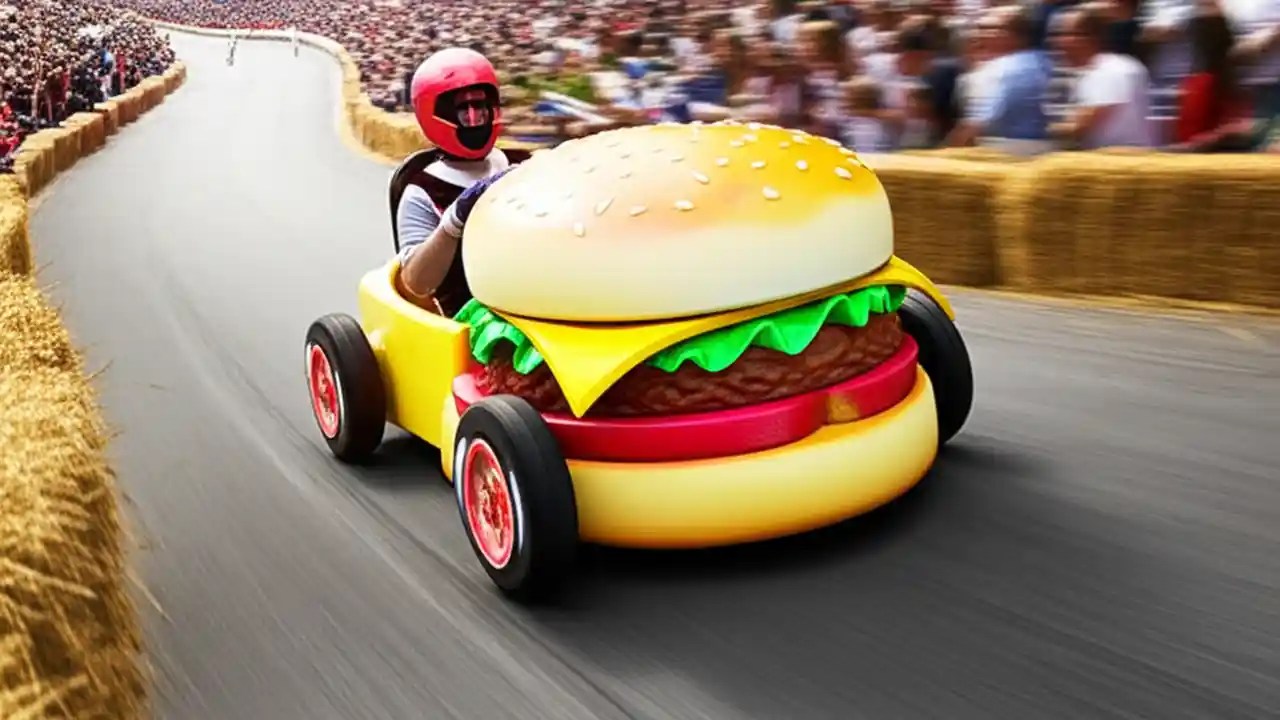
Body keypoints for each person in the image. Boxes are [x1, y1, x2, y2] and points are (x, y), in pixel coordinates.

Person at [394, 47, 530, 316]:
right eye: (462, 111)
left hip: (536, 293)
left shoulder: (522, 162)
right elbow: (416, 284)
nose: (474, 120)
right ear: (435, 115)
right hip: (473, 316)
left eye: (480, 109)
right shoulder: (422, 192)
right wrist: (453, 222)